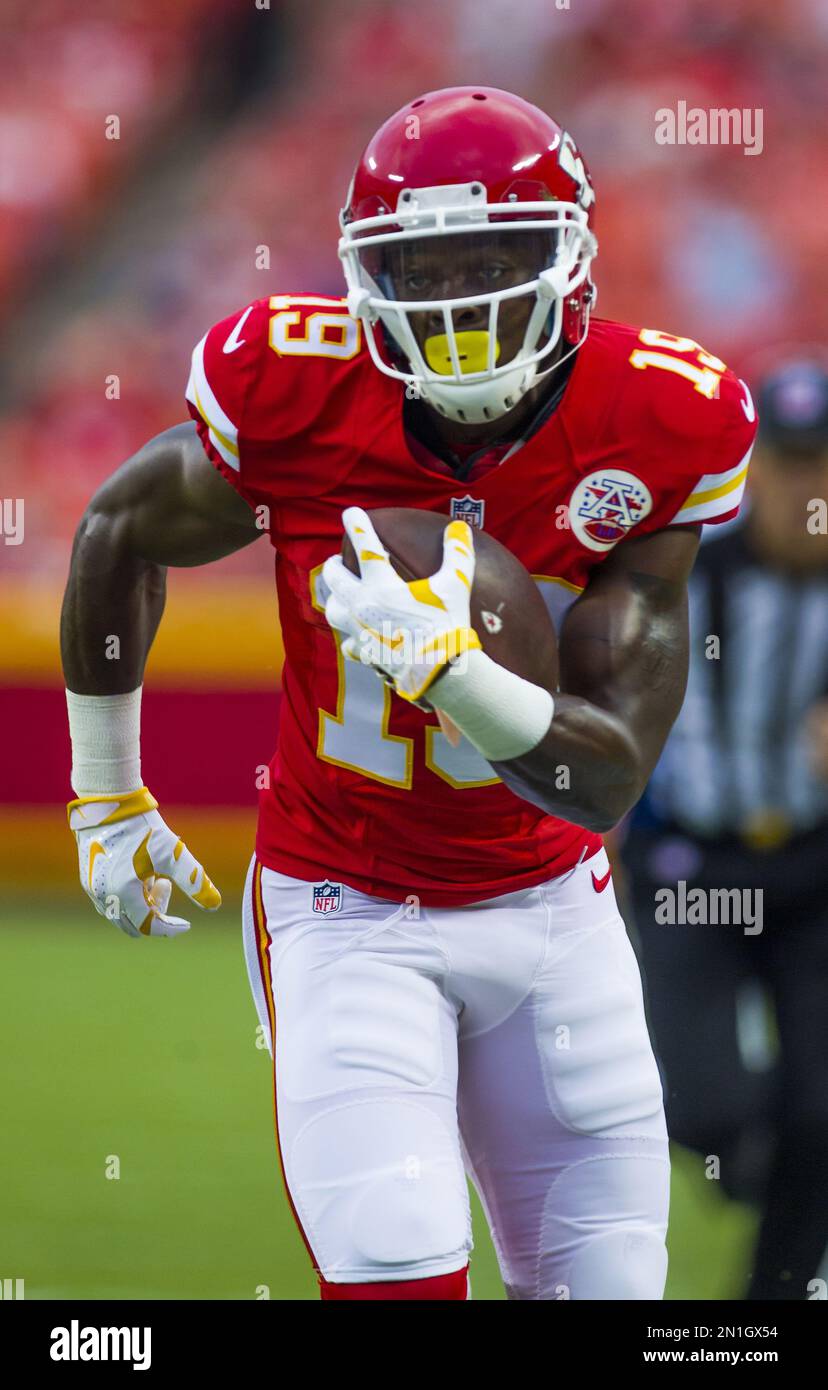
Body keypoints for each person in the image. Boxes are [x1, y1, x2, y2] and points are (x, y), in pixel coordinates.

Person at [61, 87, 756, 1301]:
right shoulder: (295, 385)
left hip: (553, 907)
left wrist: (459, 677)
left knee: (611, 1289)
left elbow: (602, 780)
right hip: (348, 906)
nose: (464, 308)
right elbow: (119, 528)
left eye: (498, 260)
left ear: (572, 256)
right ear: (361, 275)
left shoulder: (657, 419)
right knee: (395, 1266)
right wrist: (105, 796)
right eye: (423, 268)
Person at [622, 358, 828, 1300]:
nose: (806, 488)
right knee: (702, 1105)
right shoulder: (687, 561)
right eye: (787, 464)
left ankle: (769, 1314)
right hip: (691, 867)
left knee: (823, 1114)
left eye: (822, 464)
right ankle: (765, 1168)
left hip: (818, 874)